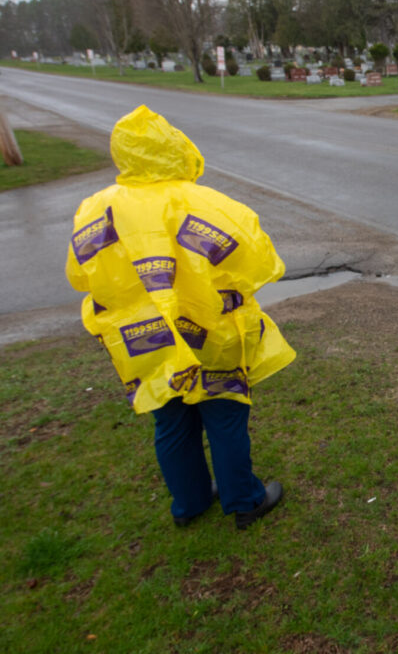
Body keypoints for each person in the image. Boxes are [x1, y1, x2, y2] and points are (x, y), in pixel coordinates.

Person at [65, 105, 295, 530]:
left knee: (170, 419)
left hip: (144, 339)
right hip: (212, 332)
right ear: (174, 147)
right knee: (224, 415)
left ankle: (189, 504)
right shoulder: (206, 203)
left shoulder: (95, 209)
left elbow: (81, 274)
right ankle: (244, 501)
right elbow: (262, 262)